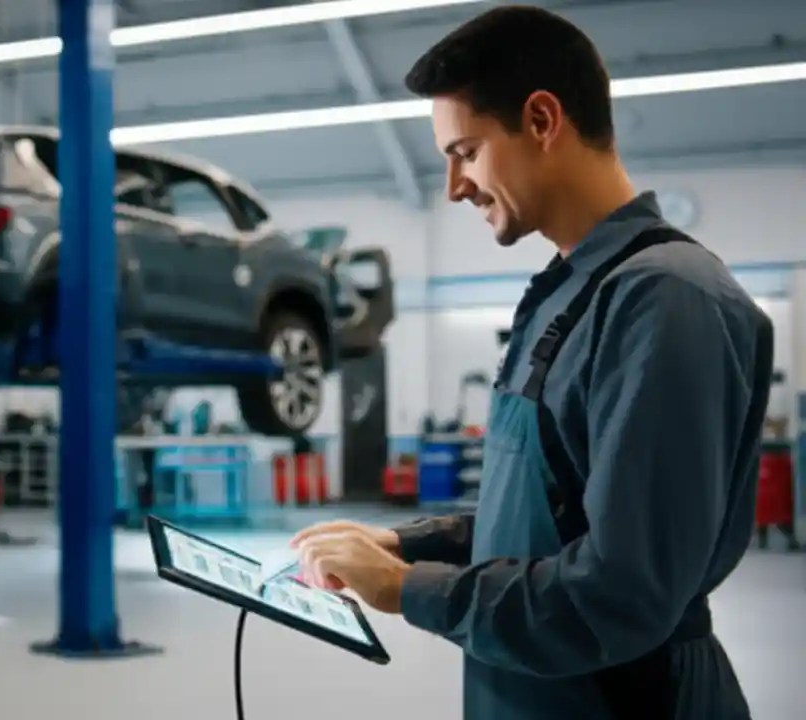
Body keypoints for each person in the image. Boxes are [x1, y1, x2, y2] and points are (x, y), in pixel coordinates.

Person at [290, 6, 773, 720]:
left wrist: (406, 589)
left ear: (542, 120)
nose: (454, 186)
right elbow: (551, 516)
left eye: (465, 151)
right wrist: (401, 543)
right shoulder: (567, 292)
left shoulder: (663, 300)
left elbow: (619, 592)